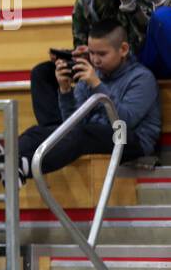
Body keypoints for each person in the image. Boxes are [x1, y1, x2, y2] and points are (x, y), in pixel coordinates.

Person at [16, 19, 161, 183]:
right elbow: (72, 123)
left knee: (82, 134)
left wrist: (97, 85)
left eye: (102, 54)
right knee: (36, 132)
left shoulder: (142, 78)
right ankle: (3, 161)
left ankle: (27, 165)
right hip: (95, 134)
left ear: (123, 49)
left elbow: (124, 122)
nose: (96, 60)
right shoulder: (90, 75)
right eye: (92, 53)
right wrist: (65, 91)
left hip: (133, 140)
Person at [30, 0, 149, 129]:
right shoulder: (84, 2)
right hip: (96, 61)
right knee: (42, 73)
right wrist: (74, 55)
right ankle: (54, 129)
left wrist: (126, 1)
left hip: (128, 64)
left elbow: (142, 38)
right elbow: (81, 43)